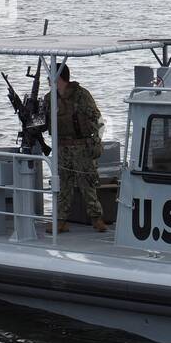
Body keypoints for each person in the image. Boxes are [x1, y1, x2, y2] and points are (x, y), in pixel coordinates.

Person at [53, 65, 107, 232]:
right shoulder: (50, 98)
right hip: (63, 148)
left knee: (88, 183)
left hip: (81, 147)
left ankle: (96, 218)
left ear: (59, 79)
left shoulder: (81, 95)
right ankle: (61, 220)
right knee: (64, 185)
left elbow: (96, 118)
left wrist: (95, 142)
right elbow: (42, 121)